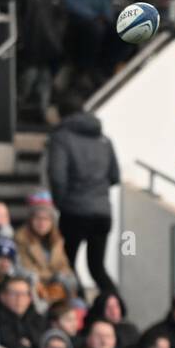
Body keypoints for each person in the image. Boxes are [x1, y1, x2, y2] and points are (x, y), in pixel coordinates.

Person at [46, 94, 120, 293]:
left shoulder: (61, 137)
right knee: (97, 268)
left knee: (66, 264)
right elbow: (115, 176)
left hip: (74, 211)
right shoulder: (104, 139)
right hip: (102, 213)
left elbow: (57, 176)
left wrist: (60, 203)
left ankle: (79, 308)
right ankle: (116, 309)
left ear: (61, 113)